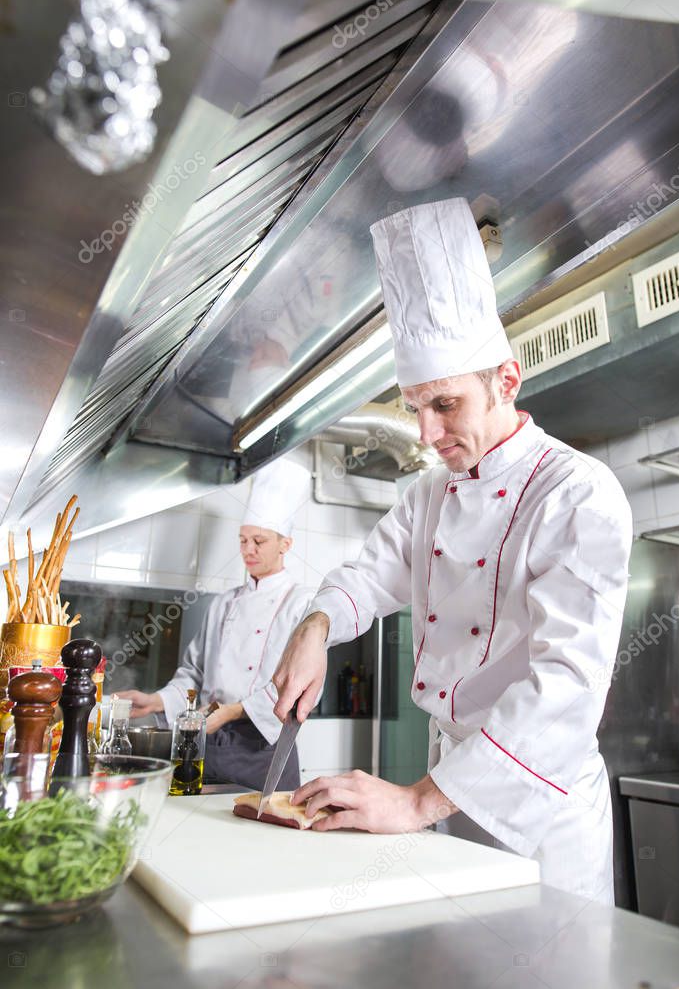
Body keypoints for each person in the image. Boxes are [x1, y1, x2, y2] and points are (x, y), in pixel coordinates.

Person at [272, 198, 633, 904]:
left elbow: (565, 689)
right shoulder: (429, 497)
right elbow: (366, 577)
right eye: (415, 406)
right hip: (448, 790)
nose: (428, 432)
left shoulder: (577, 493)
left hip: (538, 814)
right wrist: (314, 626)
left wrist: (411, 803)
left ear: (506, 380)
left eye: (445, 405)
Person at [119, 457, 312, 790]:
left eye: (259, 541)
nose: (248, 550)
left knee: (264, 838)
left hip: (264, 750)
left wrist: (234, 711)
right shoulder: (223, 604)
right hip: (209, 743)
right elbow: (193, 674)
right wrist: (158, 700)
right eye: (243, 540)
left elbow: (300, 685)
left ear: (286, 544)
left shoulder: (304, 604)